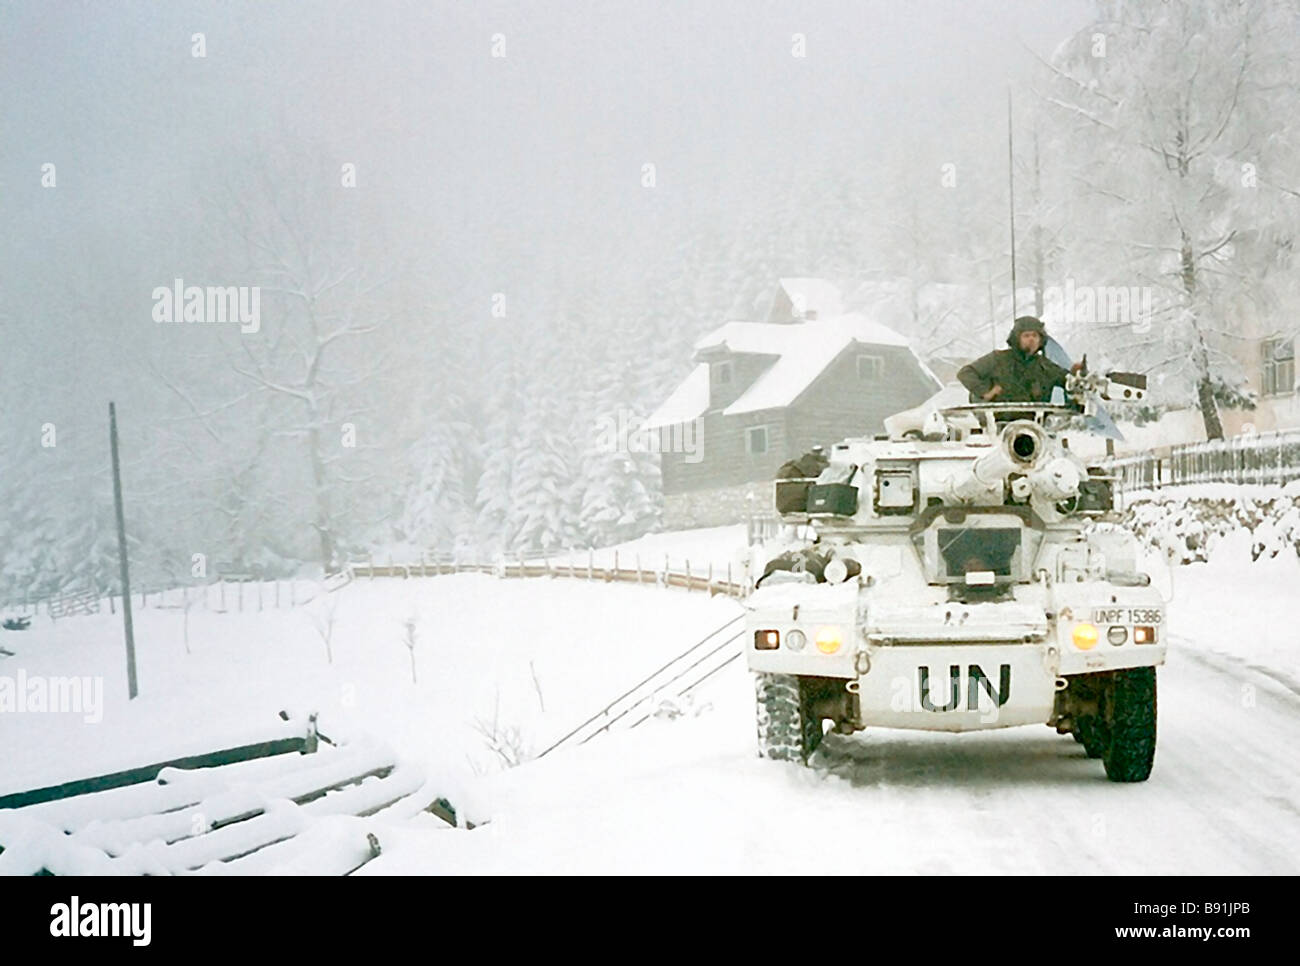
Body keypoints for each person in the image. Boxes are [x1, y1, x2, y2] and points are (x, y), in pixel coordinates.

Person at [957, 316, 1080, 404]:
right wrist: (985, 391)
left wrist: (1076, 375)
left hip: (1036, 428)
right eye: (1026, 335)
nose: (1031, 339)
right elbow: (966, 373)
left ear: (1041, 339)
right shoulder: (998, 359)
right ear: (1017, 339)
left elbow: (1067, 382)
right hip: (1000, 425)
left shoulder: (1045, 366)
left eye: (1035, 335)